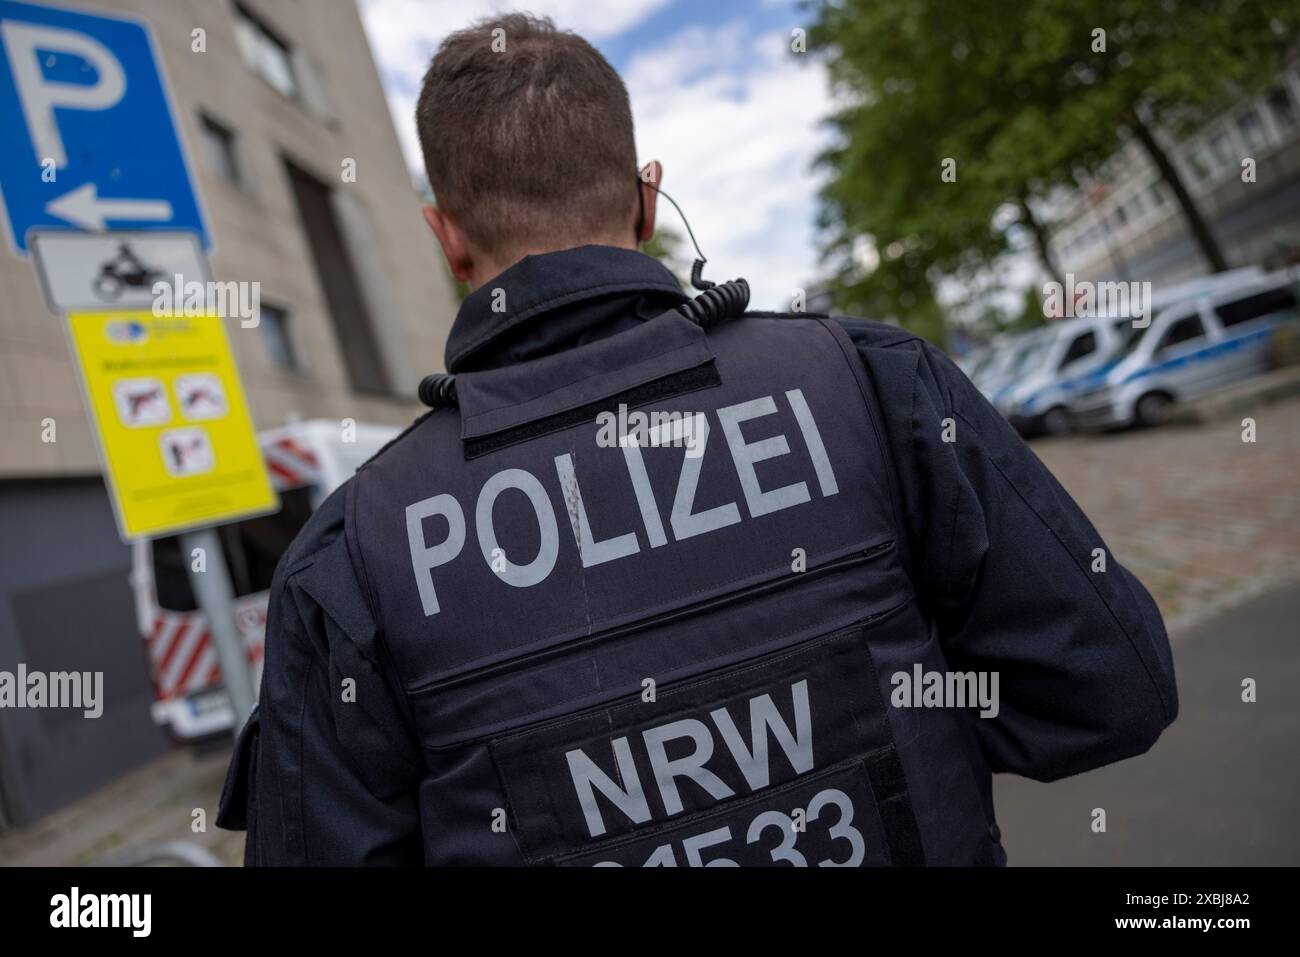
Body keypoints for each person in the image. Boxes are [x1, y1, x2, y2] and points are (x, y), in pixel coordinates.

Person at [218, 13, 1176, 866]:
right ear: (647, 199)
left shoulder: (351, 554)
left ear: (448, 238)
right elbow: (1109, 688)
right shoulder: (874, 382)